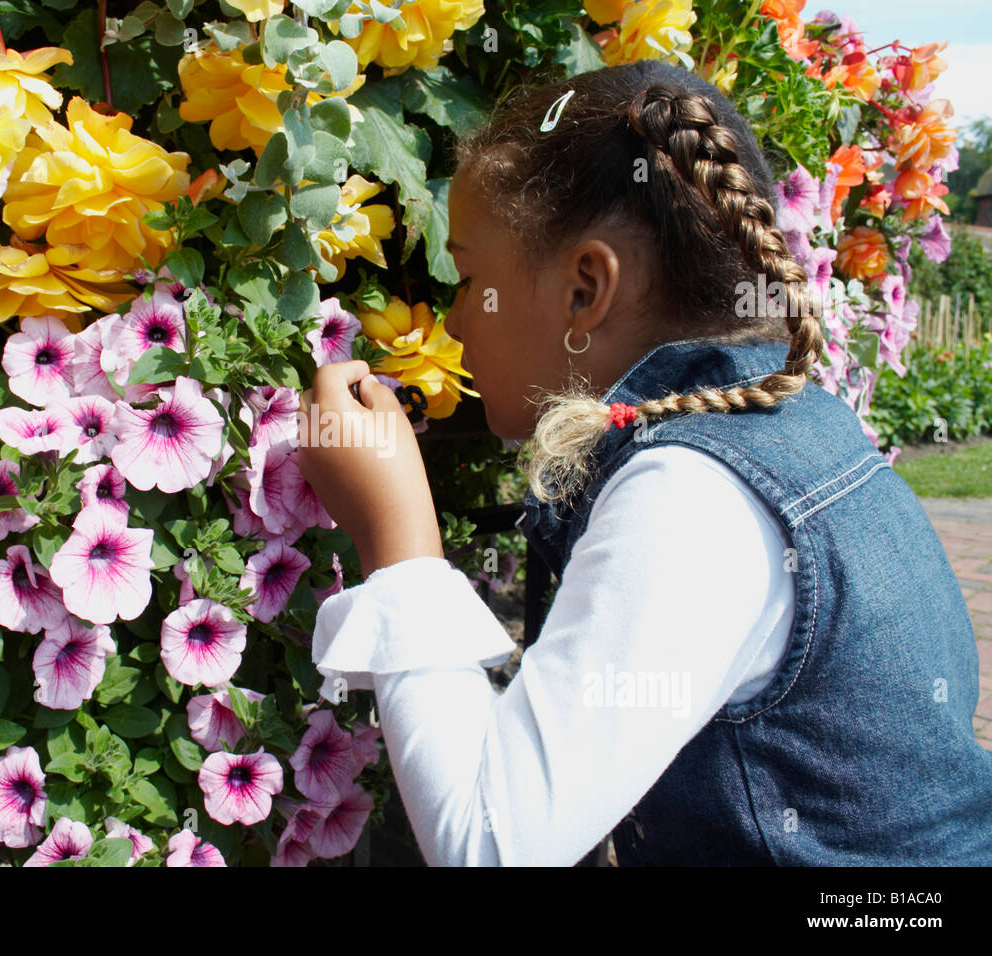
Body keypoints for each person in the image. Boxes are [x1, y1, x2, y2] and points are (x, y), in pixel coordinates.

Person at [295, 59, 992, 866]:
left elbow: (489, 845)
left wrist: (400, 542)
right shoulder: (789, 428)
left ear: (586, 288)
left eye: (471, 278)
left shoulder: (694, 499)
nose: (454, 319)